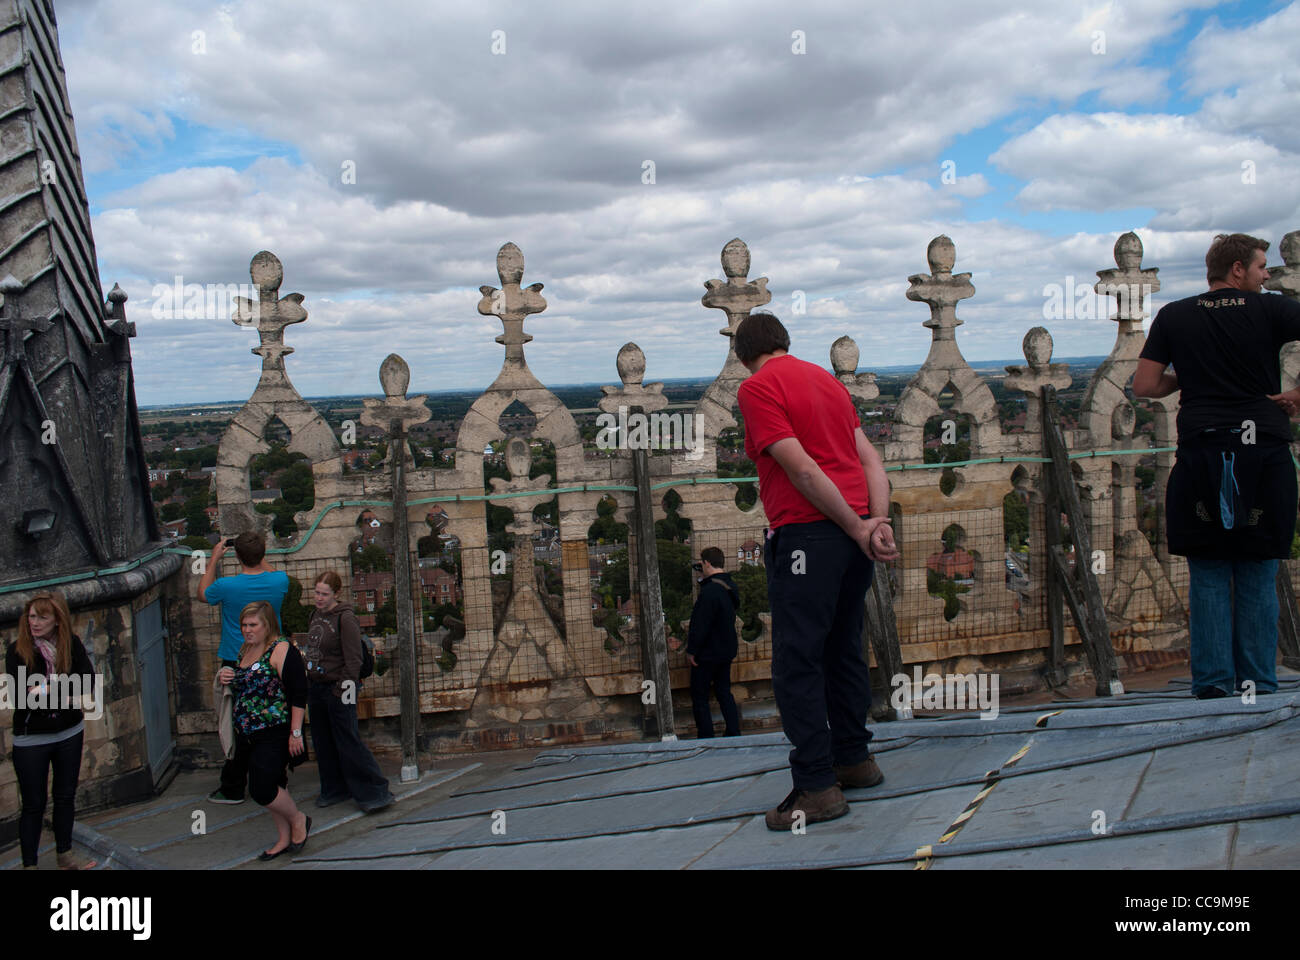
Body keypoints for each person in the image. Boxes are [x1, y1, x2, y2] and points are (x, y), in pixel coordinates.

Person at [734, 311, 899, 831]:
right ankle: (855, 760)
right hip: (854, 537)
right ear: (785, 342)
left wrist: (853, 527)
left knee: (797, 662)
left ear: (743, 356)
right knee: (844, 648)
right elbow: (871, 461)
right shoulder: (826, 381)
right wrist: (876, 523)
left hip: (809, 535)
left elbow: (801, 469)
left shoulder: (758, 388)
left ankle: (816, 787)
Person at [1134, 232, 1300, 699]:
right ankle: (1258, 685)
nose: (1268, 276)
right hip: (1262, 452)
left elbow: (1145, 386)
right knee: (1257, 569)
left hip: (1202, 452)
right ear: (1238, 270)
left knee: (1207, 571)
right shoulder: (1271, 309)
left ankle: (1210, 685)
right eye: (1263, 267)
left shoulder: (1175, 315)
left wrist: (1188, 374)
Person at [5, 593, 98, 869]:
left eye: (42, 617)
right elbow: (20, 696)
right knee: (34, 804)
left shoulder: (71, 645)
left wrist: (45, 688)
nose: (34, 622)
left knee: (65, 796)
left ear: (57, 620)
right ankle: (30, 865)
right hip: (31, 738)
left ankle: (65, 855)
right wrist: (62, 688)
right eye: (31, 616)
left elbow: (87, 683)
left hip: (69, 731)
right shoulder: (18, 651)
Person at [198, 531, 290, 803]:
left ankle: (234, 785)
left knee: (239, 722)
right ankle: (276, 780)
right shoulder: (279, 580)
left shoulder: (226, 586)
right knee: (272, 717)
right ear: (263, 554)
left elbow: (202, 594)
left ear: (237, 556)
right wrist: (257, 558)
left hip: (236, 660)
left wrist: (214, 558)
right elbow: (270, 572)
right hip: (272, 658)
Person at [218, 601, 311, 860]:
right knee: (276, 783)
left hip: (274, 731)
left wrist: (295, 733)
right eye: (244, 625)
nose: (247, 630)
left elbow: (298, 692)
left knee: (262, 788)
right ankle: (284, 838)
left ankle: (298, 819)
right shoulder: (245, 649)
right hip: (248, 733)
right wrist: (229, 676)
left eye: (253, 625)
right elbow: (245, 684)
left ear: (266, 624)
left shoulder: (281, 649)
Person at [303, 571, 394, 812]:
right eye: (317, 592)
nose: (319, 598)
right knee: (323, 742)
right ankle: (334, 789)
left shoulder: (346, 619)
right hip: (317, 686)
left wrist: (341, 689)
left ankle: (374, 791)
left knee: (348, 740)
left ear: (336, 594)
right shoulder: (315, 615)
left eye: (324, 594)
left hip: (340, 687)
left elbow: (353, 660)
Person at [686, 547, 742, 738]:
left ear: (707, 563)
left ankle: (706, 735)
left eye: (702, 563)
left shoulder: (710, 591)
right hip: (727, 649)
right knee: (724, 692)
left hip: (708, 652)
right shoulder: (729, 586)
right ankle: (734, 732)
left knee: (700, 696)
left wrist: (692, 650)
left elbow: (700, 624)